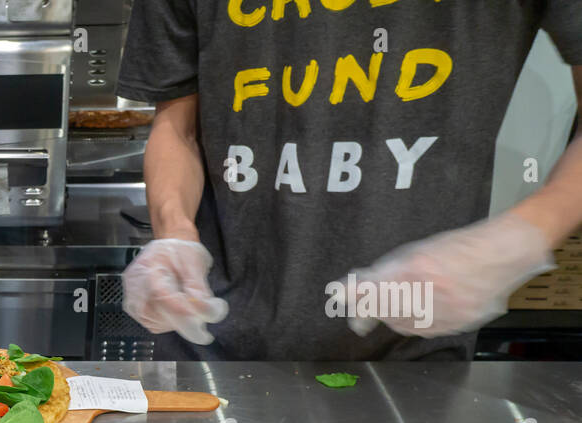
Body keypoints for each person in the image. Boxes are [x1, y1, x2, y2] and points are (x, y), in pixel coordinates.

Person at [117, 1, 582, 360]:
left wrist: (519, 238)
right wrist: (175, 236)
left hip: (413, 344)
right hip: (211, 334)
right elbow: (177, 126)